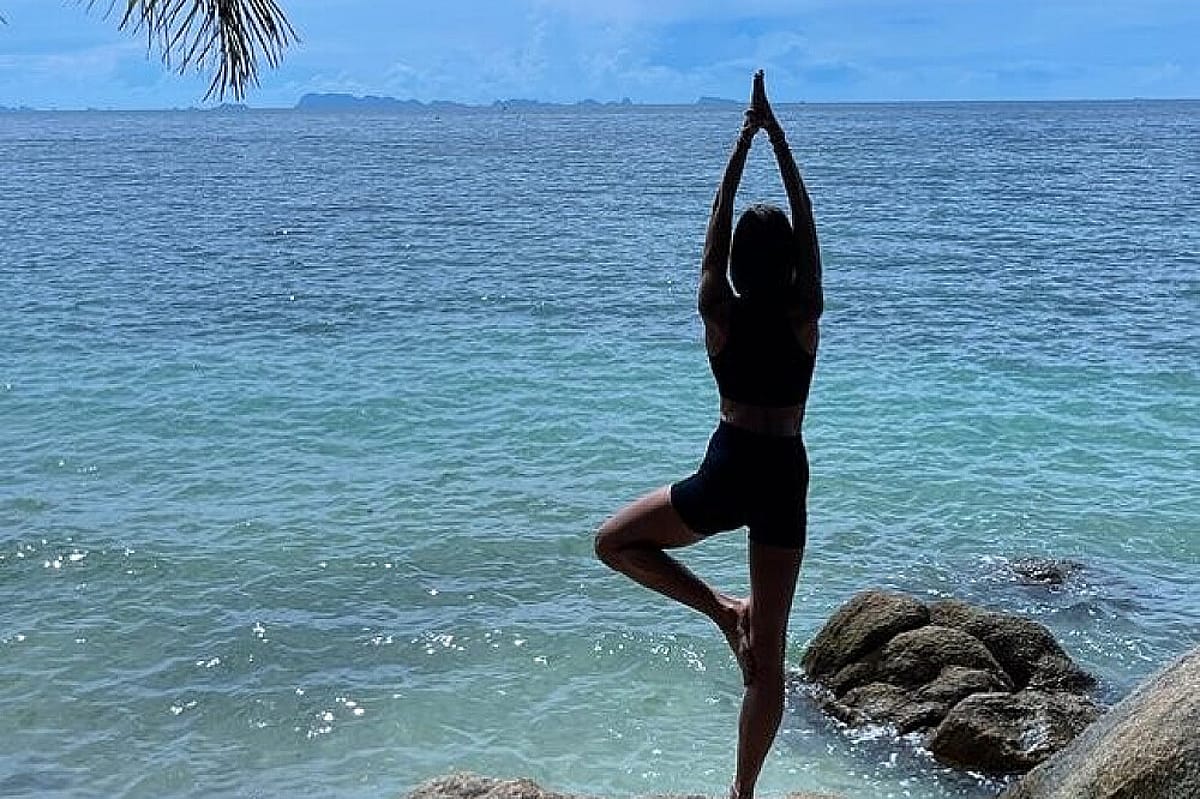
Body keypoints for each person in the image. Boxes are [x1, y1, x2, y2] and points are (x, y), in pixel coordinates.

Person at [594, 70, 822, 799]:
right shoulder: (803, 317)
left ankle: (722, 610)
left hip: (727, 470)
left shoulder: (716, 314)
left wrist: (740, 143)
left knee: (613, 543)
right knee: (772, 658)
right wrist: (777, 139)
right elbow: (808, 220)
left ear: (734, 266)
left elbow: (711, 238)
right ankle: (741, 794)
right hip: (783, 471)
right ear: (787, 264)